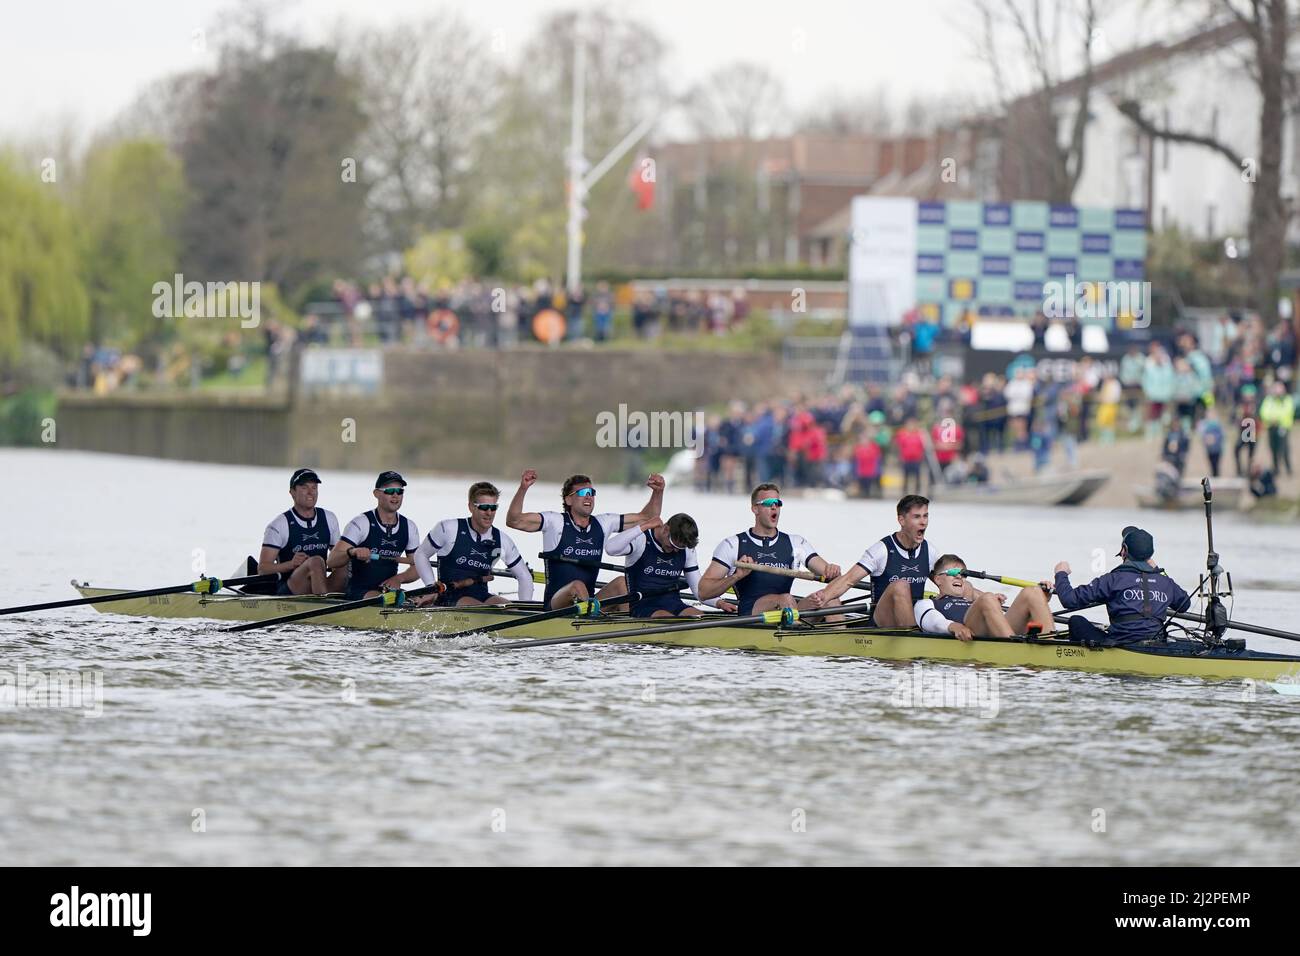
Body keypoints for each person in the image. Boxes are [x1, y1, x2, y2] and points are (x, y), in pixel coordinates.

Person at [507, 470, 664, 610]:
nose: (588, 496)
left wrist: (658, 492)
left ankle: (629, 627)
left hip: (588, 603)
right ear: (569, 500)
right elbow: (514, 521)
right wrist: (523, 489)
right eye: (582, 493)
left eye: (591, 492)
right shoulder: (555, 522)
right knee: (577, 586)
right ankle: (596, 619)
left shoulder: (604, 523)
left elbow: (648, 518)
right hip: (556, 603)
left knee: (621, 583)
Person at [697, 483, 842, 616]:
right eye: (768, 503)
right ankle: (798, 637)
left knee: (830, 599)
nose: (774, 507)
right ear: (755, 509)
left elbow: (830, 575)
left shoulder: (796, 543)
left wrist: (833, 571)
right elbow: (703, 592)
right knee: (786, 600)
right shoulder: (733, 545)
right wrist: (736, 576)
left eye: (778, 503)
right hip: (751, 613)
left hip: (787, 610)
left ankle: (840, 639)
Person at [809, 495, 942, 628]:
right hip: (883, 620)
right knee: (901, 585)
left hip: (913, 617)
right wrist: (824, 597)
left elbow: (947, 582)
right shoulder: (881, 550)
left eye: (925, 516)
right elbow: (848, 580)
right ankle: (913, 637)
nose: (923, 522)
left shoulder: (930, 551)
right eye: (917, 517)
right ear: (901, 520)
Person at [1050, 526, 1191, 646]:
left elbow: (1069, 600)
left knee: (1076, 621)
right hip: (1156, 643)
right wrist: (1158, 570)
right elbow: (1184, 604)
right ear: (1150, 556)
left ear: (1124, 551)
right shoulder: (1165, 582)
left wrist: (1061, 573)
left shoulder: (1113, 580)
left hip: (1122, 643)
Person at [413, 482, 534, 607]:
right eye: (484, 507)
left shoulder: (503, 540)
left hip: (482, 595)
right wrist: (431, 587)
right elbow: (420, 554)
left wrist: (526, 610)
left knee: (510, 608)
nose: (489, 513)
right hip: (449, 595)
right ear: (471, 507)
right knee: (484, 611)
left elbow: (524, 576)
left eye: (493, 508)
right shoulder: (448, 528)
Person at [600, 513, 728, 617]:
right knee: (667, 618)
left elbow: (698, 590)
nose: (676, 551)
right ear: (666, 529)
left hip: (673, 603)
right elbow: (610, 548)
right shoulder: (641, 540)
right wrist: (644, 526)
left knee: (699, 616)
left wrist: (719, 603)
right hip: (642, 605)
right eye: (673, 545)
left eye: (680, 548)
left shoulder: (687, 550)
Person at [913, 554, 1055, 641]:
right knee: (987, 598)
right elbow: (932, 621)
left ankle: (1051, 643)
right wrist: (953, 626)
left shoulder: (972, 600)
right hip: (970, 632)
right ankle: (1014, 648)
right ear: (938, 580)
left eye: (963, 574)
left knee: (1033, 592)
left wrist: (1042, 600)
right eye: (953, 572)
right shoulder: (927, 603)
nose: (959, 576)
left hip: (995, 630)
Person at [328, 471, 422, 600]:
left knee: (428, 597)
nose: (395, 495)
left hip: (388, 590)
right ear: (376, 494)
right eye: (389, 491)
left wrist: (399, 578)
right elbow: (332, 560)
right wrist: (352, 551)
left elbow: (418, 566)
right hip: (358, 591)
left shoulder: (409, 527)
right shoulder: (361, 523)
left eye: (399, 491)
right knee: (391, 600)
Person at [257, 468, 345, 595]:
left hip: (320, 585)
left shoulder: (329, 518)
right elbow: (263, 568)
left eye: (314, 488)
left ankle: (355, 599)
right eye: (304, 487)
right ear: (292, 492)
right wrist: (291, 564)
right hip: (290, 589)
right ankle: (323, 606)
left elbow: (338, 556)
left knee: (347, 561)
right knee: (316, 561)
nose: (310, 492)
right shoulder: (279, 524)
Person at [1260, 380, 1294, 477]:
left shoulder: (1287, 399)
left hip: (1283, 427)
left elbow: (1287, 412)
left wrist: (1276, 418)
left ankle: (1288, 468)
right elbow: (1264, 412)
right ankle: (1276, 468)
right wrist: (1272, 419)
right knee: (1273, 448)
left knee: (1284, 449)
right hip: (1271, 427)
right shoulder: (1269, 399)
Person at [1197, 413, 1225, 477]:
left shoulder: (1218, 424)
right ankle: (1214, 475)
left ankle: (1216, 476)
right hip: (1209, 449)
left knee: (1216, 464)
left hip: (1217, 449)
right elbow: (1202, 435)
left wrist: (1214, 439)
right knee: (1211, 464)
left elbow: (1221, 435)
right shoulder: (1205, 424)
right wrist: (1206, 440)